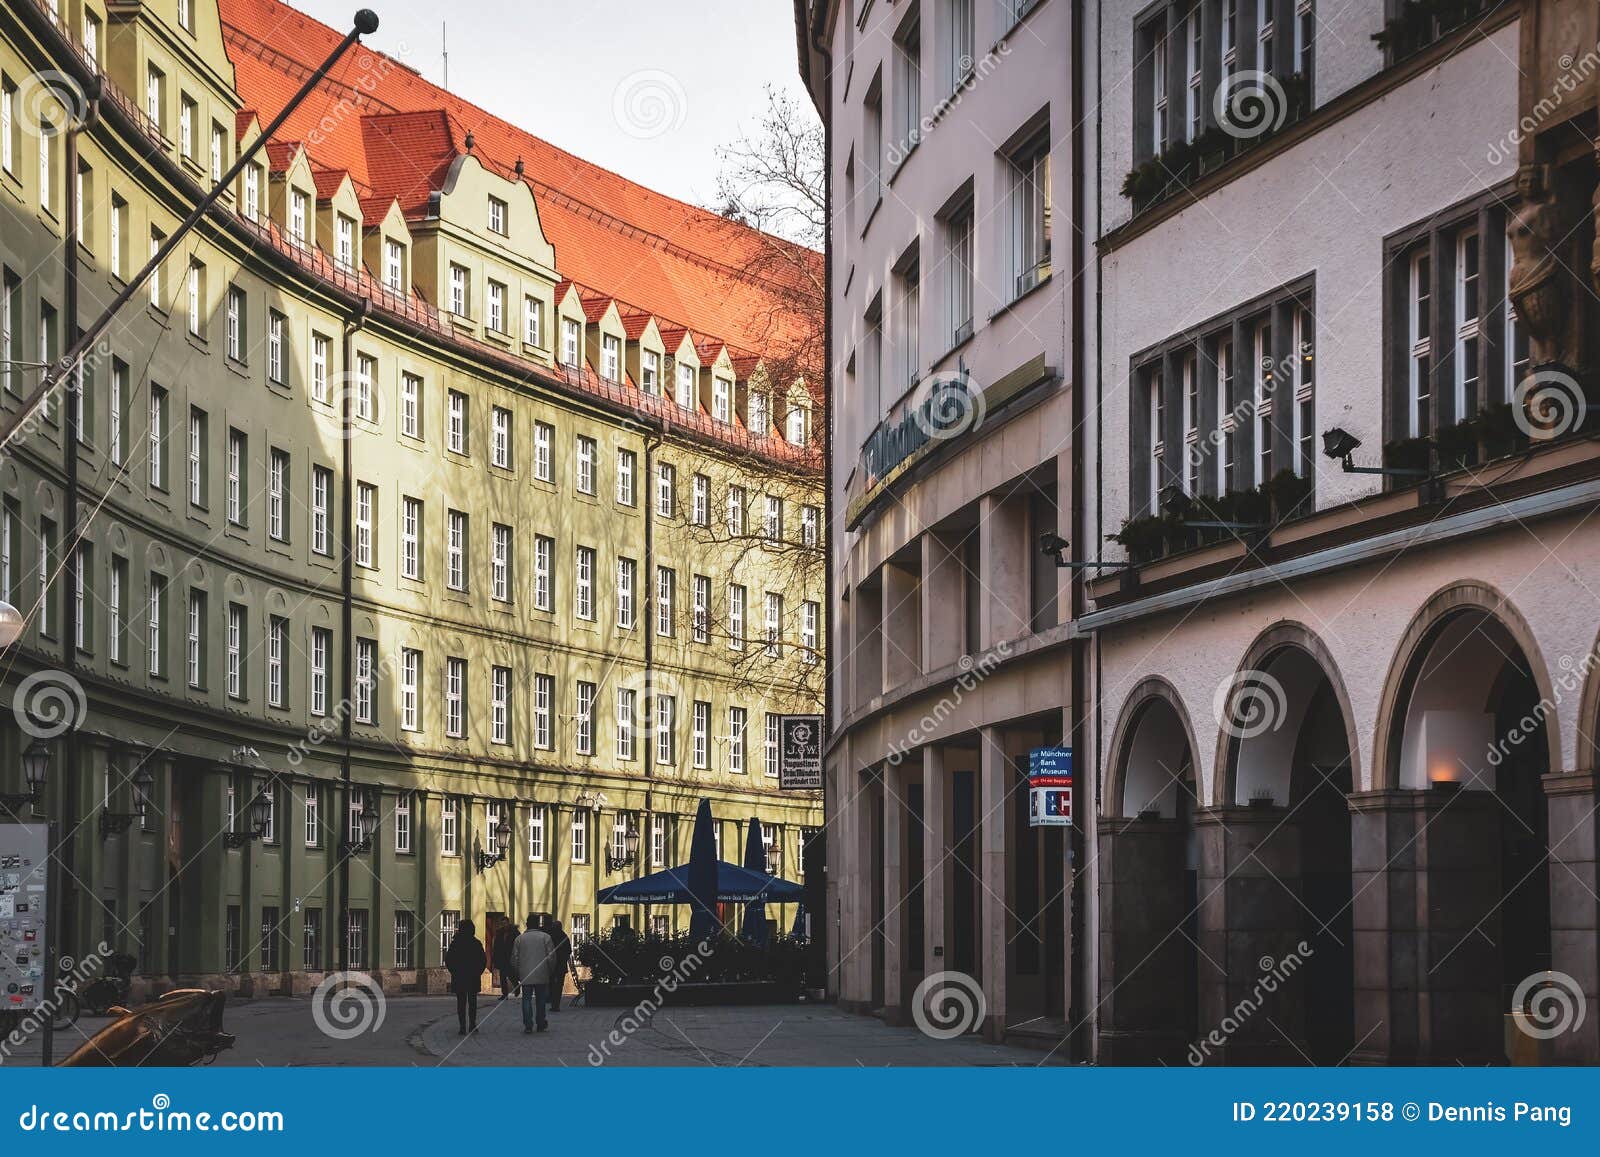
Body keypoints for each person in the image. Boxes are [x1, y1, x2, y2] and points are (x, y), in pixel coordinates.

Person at [510, 913, 555, 1034]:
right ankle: (540, 1023)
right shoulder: (545, 937)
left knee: (526, 999)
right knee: (541, 1000)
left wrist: (517, 972)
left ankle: (528, 1025)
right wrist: (549, 971)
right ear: (538, 924)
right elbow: (551, 957)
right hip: (542, 973)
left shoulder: (520, 939)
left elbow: (514, 959)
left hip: (525, 974)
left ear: (527, 924)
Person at [444, 919, 487, 1036]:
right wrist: (478, 972)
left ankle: (462, 1027)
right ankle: (472, 1025)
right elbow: (483, 960)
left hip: (459, 977)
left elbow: (448, 960)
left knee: (461, 1003)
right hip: (473, 977)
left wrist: (454, 972)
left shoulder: (455, 943)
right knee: (473, 1002)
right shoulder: (476, 943)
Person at [544, 916, 572, 1012]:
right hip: (561, 965)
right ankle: (556, 1004)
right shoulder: (564, 936)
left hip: (551, 965)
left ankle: (553, 1003)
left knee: (551, 984)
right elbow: (569, 950)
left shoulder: (549, 936)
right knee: (559, 985)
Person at [492, 918, 517, 1001]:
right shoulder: (499, 933)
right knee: (502, 976)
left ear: (508, 923)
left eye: (505, 923)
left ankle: (516, 986)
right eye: (503, 924)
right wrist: (495, 958)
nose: (504, 925)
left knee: (511, 975)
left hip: (511, 957)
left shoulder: (514, 932)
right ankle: (504, 994)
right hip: (502, 958)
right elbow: (496, 946)